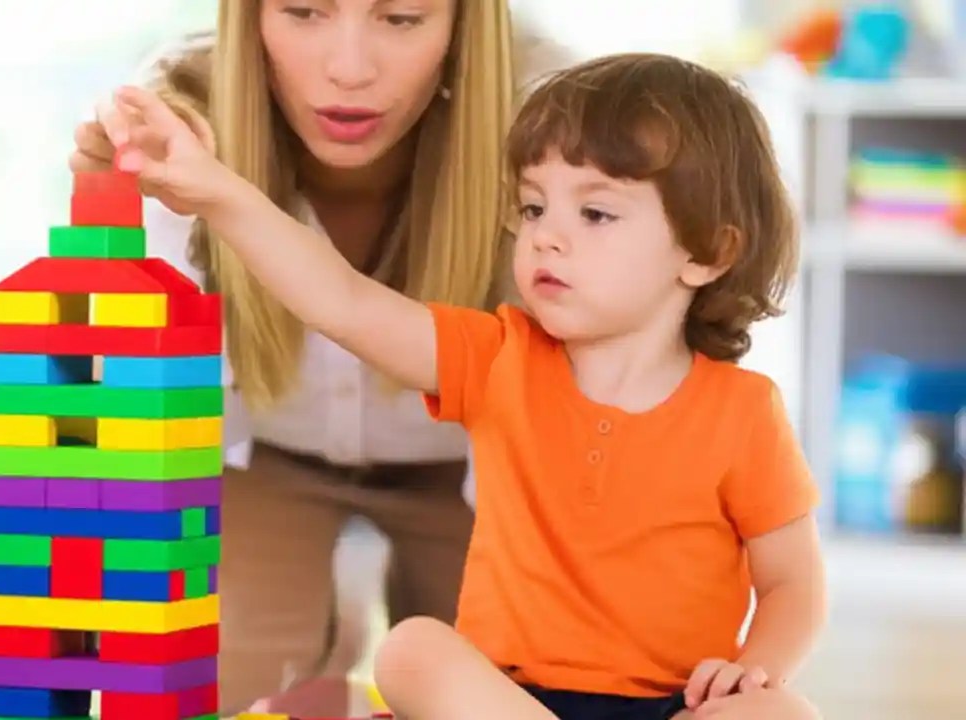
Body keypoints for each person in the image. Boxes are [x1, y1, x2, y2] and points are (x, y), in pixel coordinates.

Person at [106, 50, 828, 720]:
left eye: (596, 213)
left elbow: (793, 583)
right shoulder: (497, 358)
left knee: (782, 711)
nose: (545, 235)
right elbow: (343, 302)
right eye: (535, 207)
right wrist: (218, 193)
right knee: (412, 649)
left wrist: (755, 670)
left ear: (708, 252)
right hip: (505, 699)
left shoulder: (743, 411)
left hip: (673, 703)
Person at [69, 1, 568, 714]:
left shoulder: (556, 113)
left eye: (401, 18)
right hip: (272, 457)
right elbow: (125, 395)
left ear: (462, 24)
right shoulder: (183, 101)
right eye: (303, 11)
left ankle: (347, 610)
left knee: (512, 688)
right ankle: (320, 625)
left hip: (470, 470)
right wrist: (131, 199)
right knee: (204, 674)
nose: (349, 70)